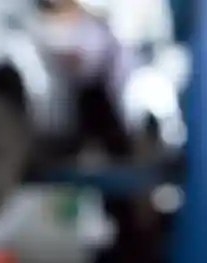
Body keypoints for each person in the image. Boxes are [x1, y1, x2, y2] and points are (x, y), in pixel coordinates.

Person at [34, 0, 135, 159]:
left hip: (93, 90)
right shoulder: (37, 19)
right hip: (59, 92)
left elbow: (97, 57)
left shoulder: (91, 21)